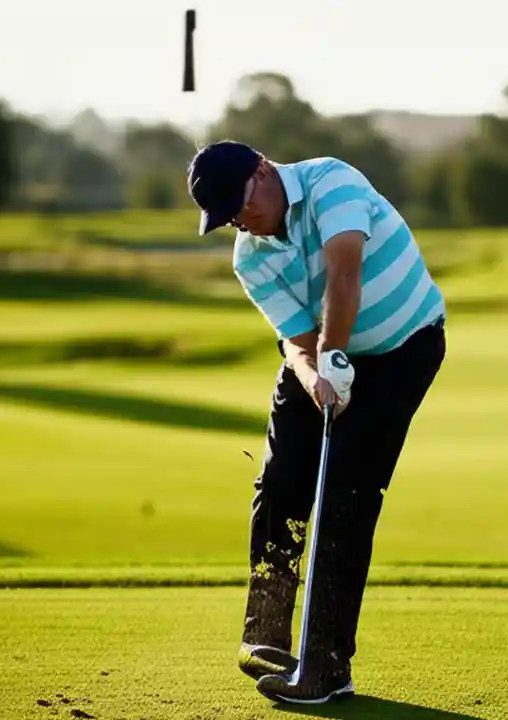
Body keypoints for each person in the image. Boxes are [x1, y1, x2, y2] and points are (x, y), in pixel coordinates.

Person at [187, 141, 447, 704]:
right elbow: (296, 345)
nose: (240, 219)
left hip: (405, 349)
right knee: (281, 484)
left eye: (240, 203)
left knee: (345, 497)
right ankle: (267, 636)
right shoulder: (249, 256)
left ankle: (327, 667)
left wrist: (335, 353)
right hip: (320, 362)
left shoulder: (333, 182)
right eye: (227, 215)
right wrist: (319, 377)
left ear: (262, 170)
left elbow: (344, 271)